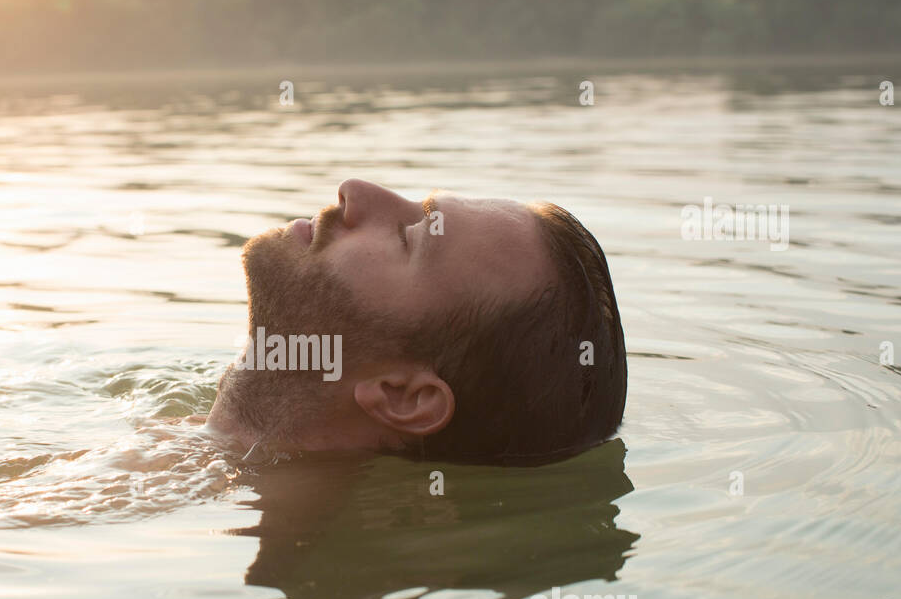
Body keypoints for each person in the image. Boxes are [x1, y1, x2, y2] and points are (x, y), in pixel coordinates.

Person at [207, 179, 627, 464]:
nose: (354, 190)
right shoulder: (178, 466)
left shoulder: (169, 511)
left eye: (408, 238)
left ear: (403, 397)